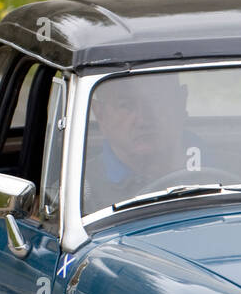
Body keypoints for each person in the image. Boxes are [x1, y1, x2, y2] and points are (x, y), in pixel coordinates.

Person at [83, 72, 217, 211]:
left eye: (156, 101)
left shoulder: (227, 169)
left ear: (181, 102)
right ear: (100, 114)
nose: (143, 121)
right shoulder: (81, 191)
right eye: (126, 105)